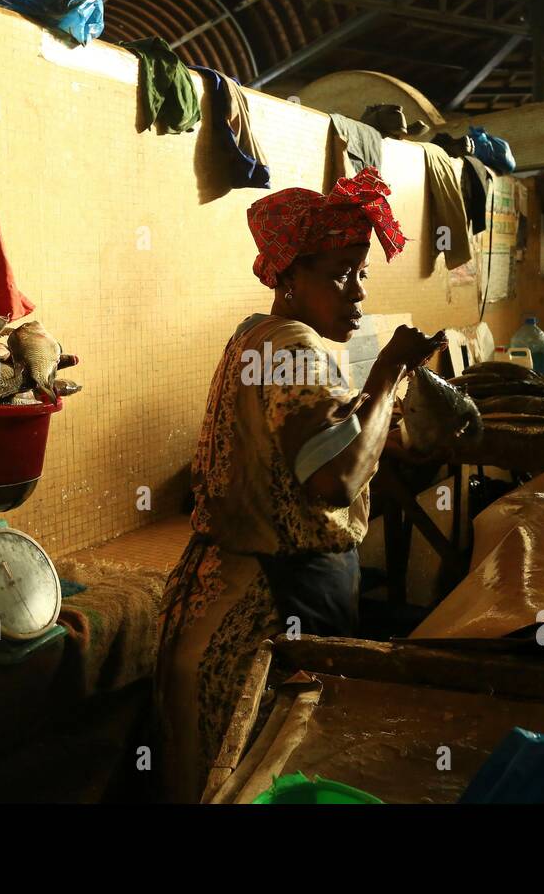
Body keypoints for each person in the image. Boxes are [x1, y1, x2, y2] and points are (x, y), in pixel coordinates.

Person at [154, 167, 445, 803]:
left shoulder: (257, 336)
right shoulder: (293, 345)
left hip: (217, 598)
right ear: (286, 277)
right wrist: (391, 375)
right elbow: (336, 478)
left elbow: (321, 440)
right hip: (264, 615)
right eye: (340, 273)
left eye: (362, 271)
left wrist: (378, 403)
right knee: (257, 782)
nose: (358, 294)